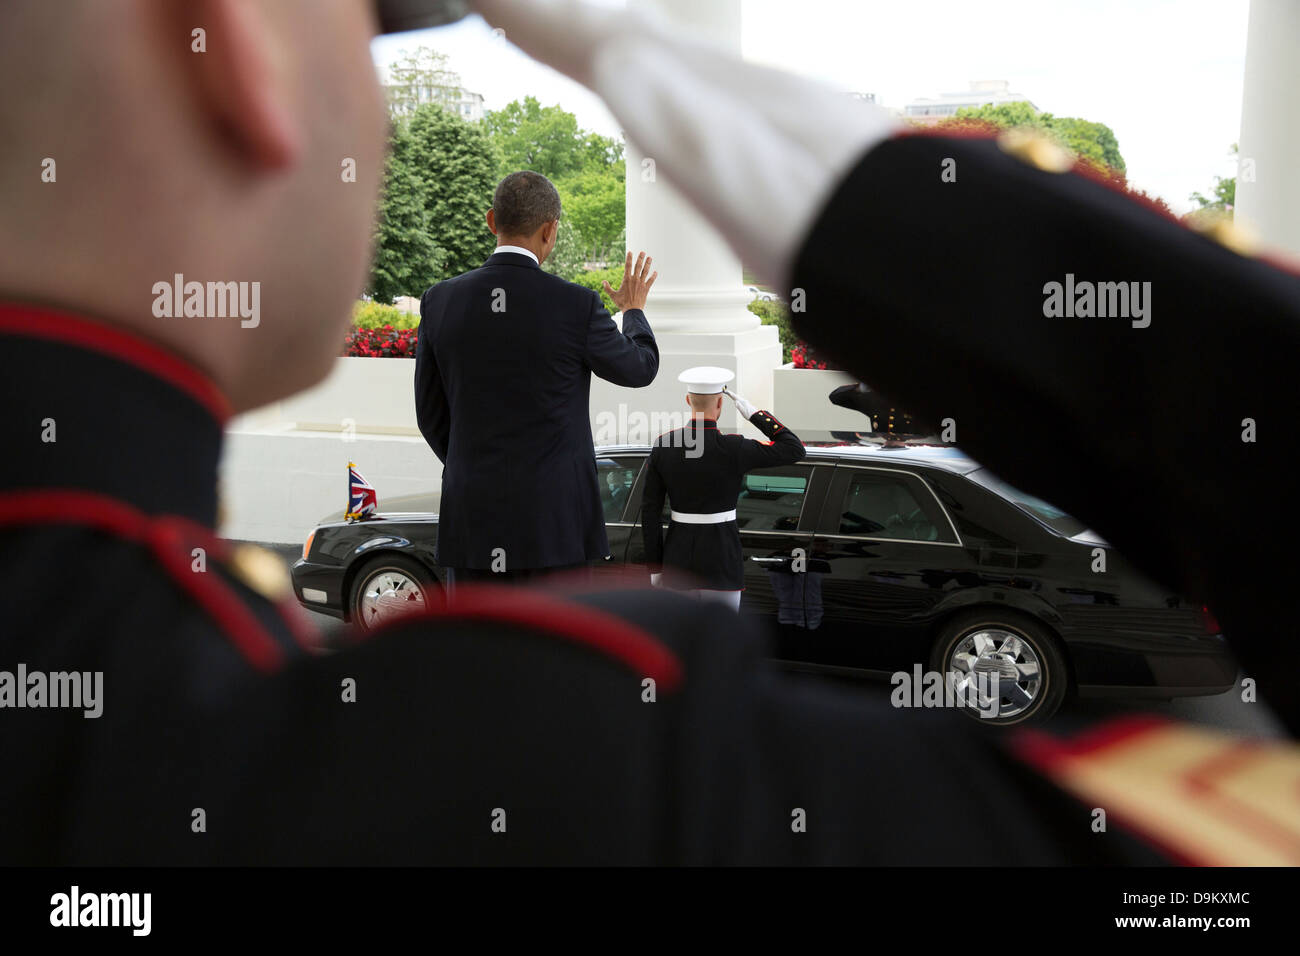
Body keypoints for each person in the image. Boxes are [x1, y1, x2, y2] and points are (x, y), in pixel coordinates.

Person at [0, 0, 1294, 866]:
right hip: (555, 517)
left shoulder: (445, 308)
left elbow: (439, 420)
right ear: (245, 46)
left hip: (479, 509)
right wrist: (646, 58)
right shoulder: (610, 761)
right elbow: (629, 363)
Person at [415, 171, 659, 585]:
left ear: (492, 221)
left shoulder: (439, 301)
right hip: (556, 530)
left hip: (473, 522)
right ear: (550, 230)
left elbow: (430, 415)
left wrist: (473, 466)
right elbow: (640, 369)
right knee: (553, 649)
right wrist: (633, 310)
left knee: (477, 648)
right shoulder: (576, 305)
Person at [640, 367, 805, 610]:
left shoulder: (665, 445)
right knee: (720, 642)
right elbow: (794, 449)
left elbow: (650, 511)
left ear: (688, 400)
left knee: (679, 642)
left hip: (678, 561)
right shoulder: (734, 447)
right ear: (720, 402)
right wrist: (755, 414)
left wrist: (655, 567)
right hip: (722, 560)